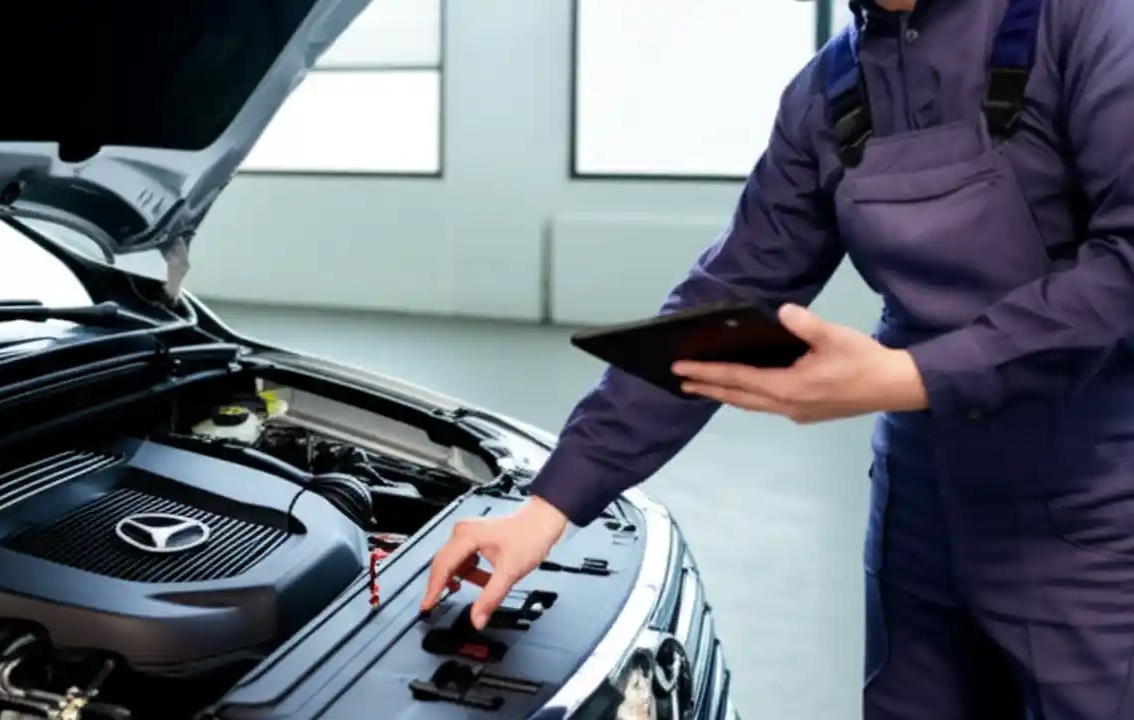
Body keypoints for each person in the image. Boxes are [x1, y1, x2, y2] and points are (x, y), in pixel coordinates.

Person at [423, 0, 1134, 716]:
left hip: (1089, 498)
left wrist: (908, 374)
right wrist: (547, 507)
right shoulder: (827, 91)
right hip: (920, 503)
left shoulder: (1088, 24)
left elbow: (1126, 267)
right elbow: (730, 296)